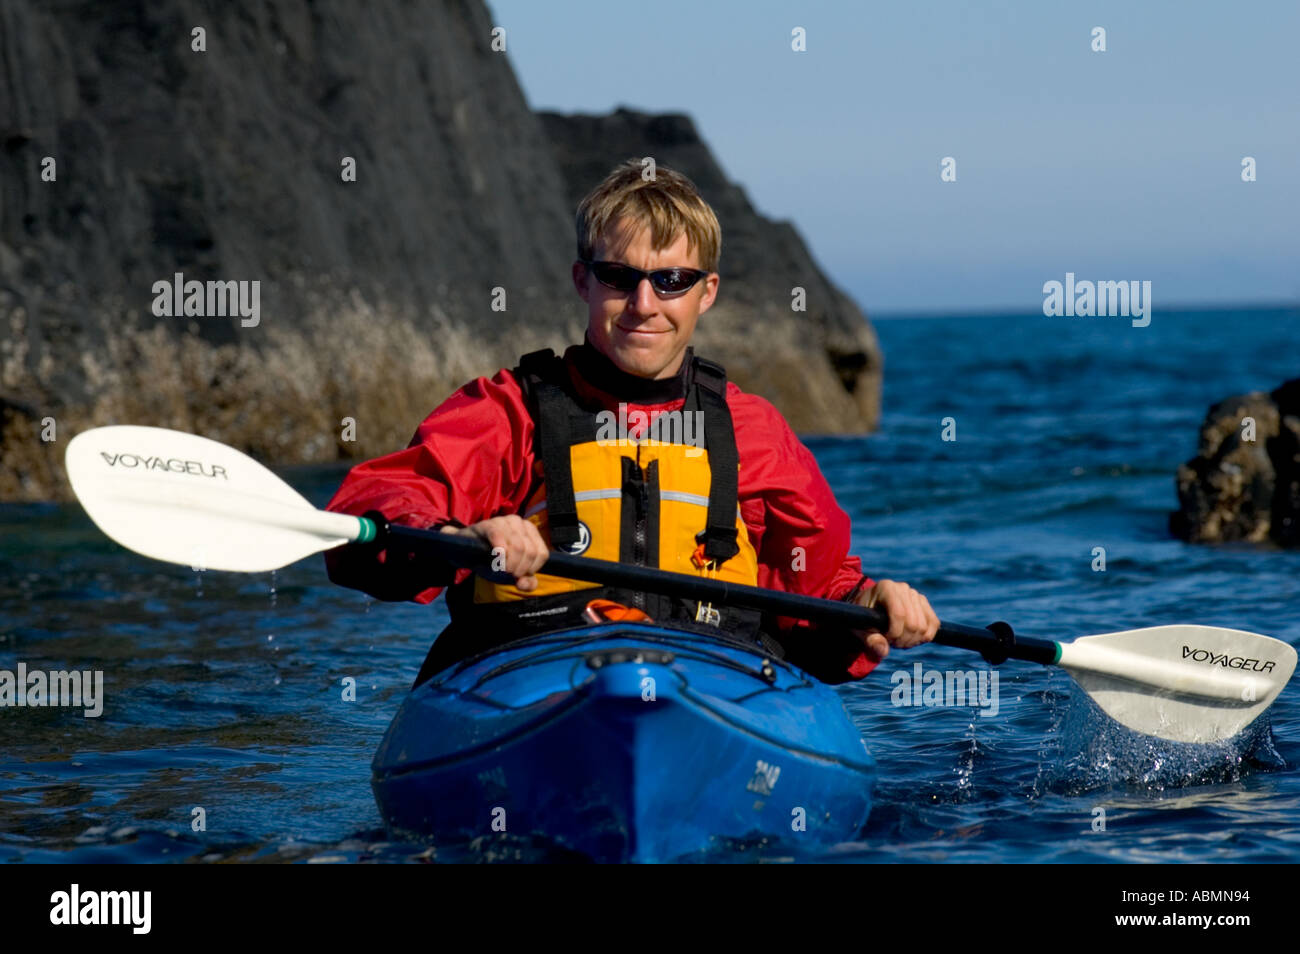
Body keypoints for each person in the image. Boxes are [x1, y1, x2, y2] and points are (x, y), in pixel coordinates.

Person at [324, 158, 938, 684]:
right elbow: (374, 510)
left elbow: (815, 596)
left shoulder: (753, 432)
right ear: (582, 281)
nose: (644, 306)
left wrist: (870, 605)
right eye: (620, 278)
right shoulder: (508, 413)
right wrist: (455, 540)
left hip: (711, 690)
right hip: (534, 682)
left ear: (708, 292)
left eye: (671, 282)